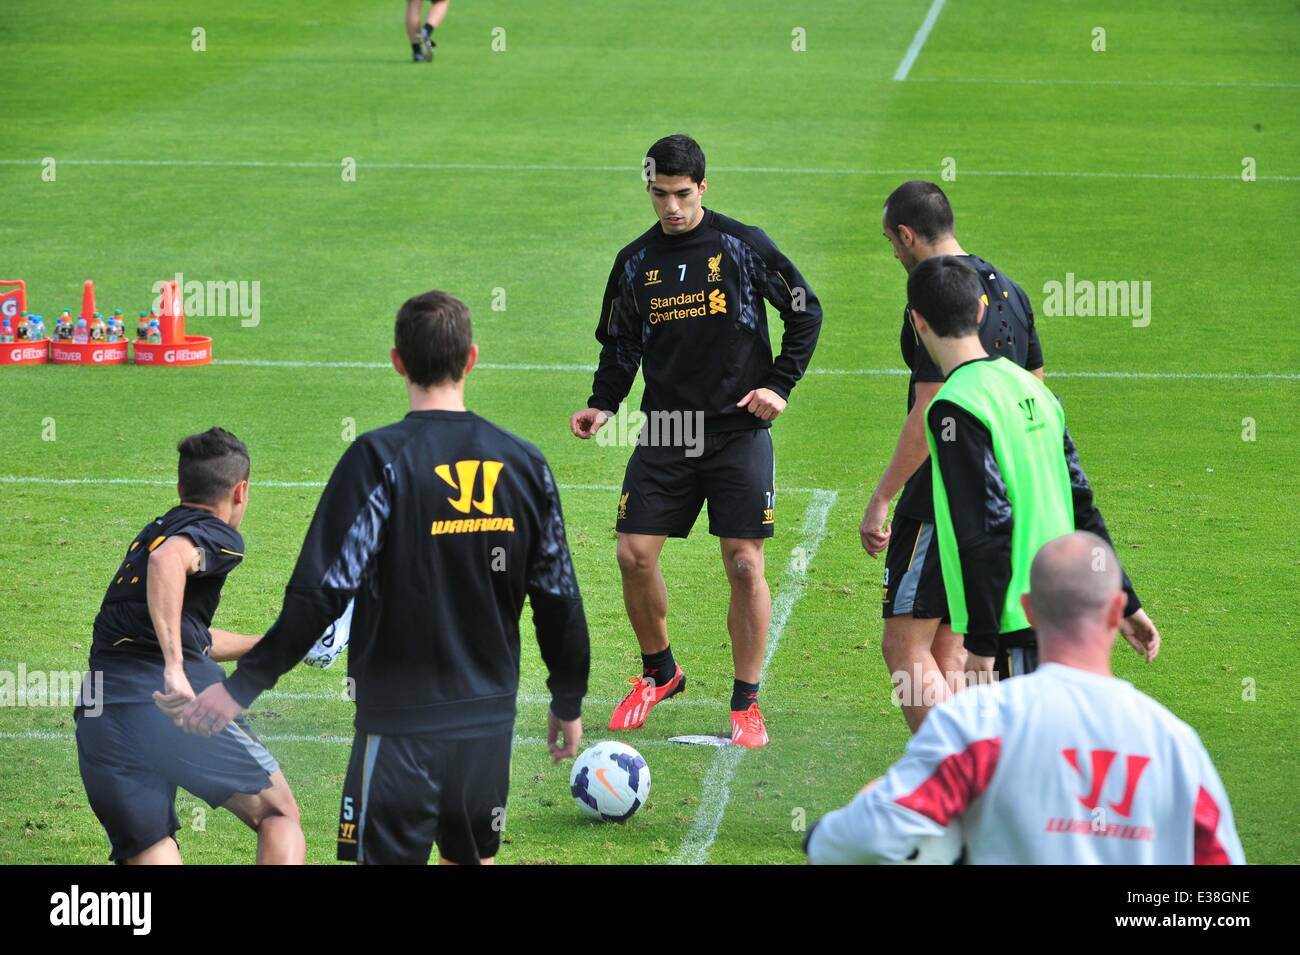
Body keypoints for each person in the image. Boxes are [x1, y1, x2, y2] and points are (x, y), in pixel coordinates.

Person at [179, 290, 590, 865]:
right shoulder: (523, 464)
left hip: (397, 725)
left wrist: (242, 685)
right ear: (470, 359)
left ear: (398, 361)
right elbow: (558, 597)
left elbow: (321, 593)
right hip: (486, 722)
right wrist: (566, 699)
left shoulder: (376, 460)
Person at [569, 134, 823, 747]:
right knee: (633, 553)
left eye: (682, 195)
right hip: (666, 430)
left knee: (743, 562)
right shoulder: (635, 261)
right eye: (660, 195)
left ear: (703, 188)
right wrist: (604, 403)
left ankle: (746, 702)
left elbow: (804, 310)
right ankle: (661, 672)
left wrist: (779, 385)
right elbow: (623, 342)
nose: (672, 208)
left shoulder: (742, 244)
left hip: (738, 428)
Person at [806, 532, 1244, 864]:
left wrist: (825, 833)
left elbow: (865, 836)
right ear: (1116, 611)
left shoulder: (975, 725)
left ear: (1029, 609)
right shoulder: (1175, 745)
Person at [907, 256, 1159, 678]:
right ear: (982, 310)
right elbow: (1083, 507)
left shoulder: (955, 408)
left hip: (1014, 625)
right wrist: (1126, 598)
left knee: (1022, 744)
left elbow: (985, 527)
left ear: (918, 322)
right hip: (1067, 614)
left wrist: (983, 643)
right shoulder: (1035, 389)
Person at [861, 180, 1046, 732]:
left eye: (892, 241)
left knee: (903, 647)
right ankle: (986, 778)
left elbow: (929, 408)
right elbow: (1034, 391)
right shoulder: (1010, 290)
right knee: (950, 643)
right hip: (1003, 489)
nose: (893, 253)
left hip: (941, 490)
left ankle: (960, 778)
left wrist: (883, 497)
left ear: (908, 234)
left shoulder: (932, 296)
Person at [75, 427, 304, 864]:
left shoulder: (150, 536)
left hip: (101, 710)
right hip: (175, 704)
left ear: (181, 487)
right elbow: (171, 562)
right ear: (241, 491)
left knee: (151, 847)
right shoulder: (213, 535)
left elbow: (187, 632)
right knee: (278, 815)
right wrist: (175, 669)